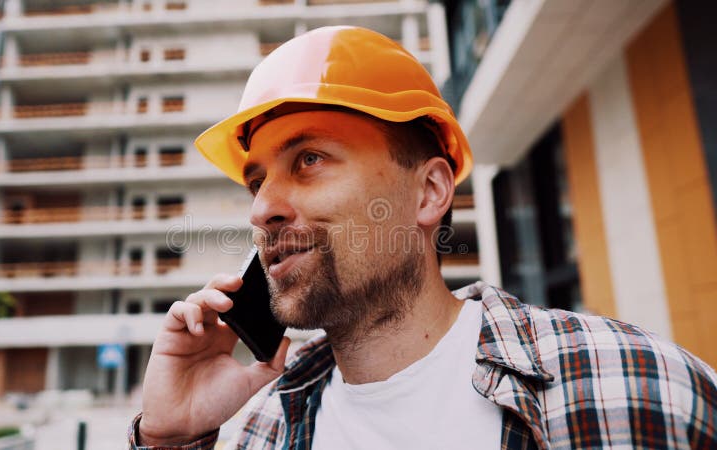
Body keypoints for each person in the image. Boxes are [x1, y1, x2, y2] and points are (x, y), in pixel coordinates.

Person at [129, 26, 717, 449]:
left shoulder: (640, 388)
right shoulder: (263, 428)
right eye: (256, 181)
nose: (261, 209)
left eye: (308, 159)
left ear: (430, 193)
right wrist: (169, 437)